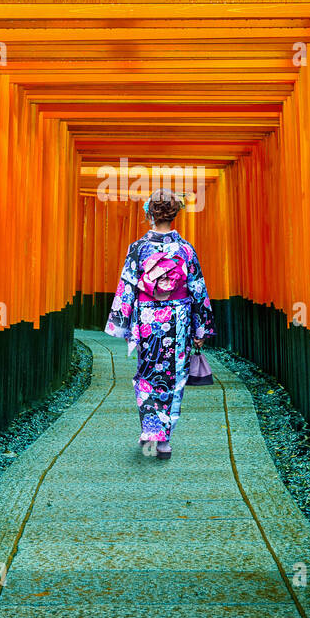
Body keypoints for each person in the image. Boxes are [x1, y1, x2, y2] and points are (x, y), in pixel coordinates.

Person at [104, 188, 215, 459]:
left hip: (148, 319)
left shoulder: (138, 248)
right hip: (179, 318)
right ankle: (164, 439)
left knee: (147, 374)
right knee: (175, 377)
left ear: (149, 214)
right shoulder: (185, 249)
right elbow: (197, 288)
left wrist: (122, 323)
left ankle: (150, 430)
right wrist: (201, 329)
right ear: (175, 214)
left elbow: (128, 286)